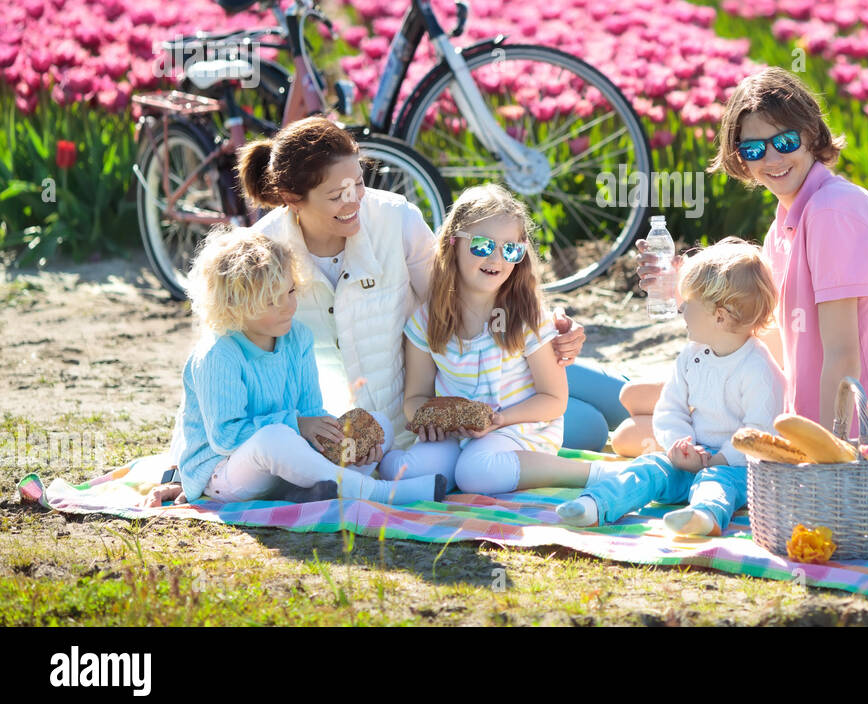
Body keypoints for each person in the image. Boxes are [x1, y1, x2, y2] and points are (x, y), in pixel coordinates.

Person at [144, 116, 604, 506]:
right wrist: (182, 463)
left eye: (359, 184)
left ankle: (618, 390)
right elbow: (214, 357)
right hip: (391, 429)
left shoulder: (396, 219)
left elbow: (463, 291)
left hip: (462, 377)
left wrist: (546, 322)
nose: (354, 201)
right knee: (591, 428)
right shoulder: (265, 253)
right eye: (336, 194)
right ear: (292, 200)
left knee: (586, 412)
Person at [612, 66, 868, 452]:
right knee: (634, 399)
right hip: (795, 401)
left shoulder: (833, 211)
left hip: (855, 431)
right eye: (753, 149)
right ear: (740, 159)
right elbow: (769, 338)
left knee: (633, 435)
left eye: (785, 141)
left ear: (811, 135)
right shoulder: (785, 224)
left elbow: (844, 355)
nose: (771, 157)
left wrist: (829, 458)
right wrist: (685, 291)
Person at [380, 184, 627, 495]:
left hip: (519, 426)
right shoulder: (426, 320)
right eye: (482, 245)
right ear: (453, 244)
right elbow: (415, 396)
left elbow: (554, 399)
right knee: (405, 473)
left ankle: (593, 473)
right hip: (456, 434)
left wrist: (499, 419)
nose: (496, 258)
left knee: (475, 471)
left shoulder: (525, 316)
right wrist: (425, 419)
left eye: (510, 249)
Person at [173, 227, 443, 505]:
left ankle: (307, 491)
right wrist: (298, 425)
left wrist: (342, 444)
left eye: (290, 291)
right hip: (225, 473)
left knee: (378, 424)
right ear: (233, 306)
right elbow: (226, 438)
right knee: (274, 438)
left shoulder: (297, 337)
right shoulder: (219, 354)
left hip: (287, 461)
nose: (288, 306)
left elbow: (311, 414)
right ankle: (378, 492)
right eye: (271, 301)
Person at [558, 239, 784, 534]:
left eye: (689, 305)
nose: (682, 310)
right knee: (651, 467)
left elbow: (759, 434)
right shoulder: (693, 355)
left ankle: (705, 516)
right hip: (694, 457)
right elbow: (670, 407)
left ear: (720, 317)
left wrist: (717, 459)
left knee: (716, 481)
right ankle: (597, 504)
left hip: (739, 468)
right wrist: (680, 444)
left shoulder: (758, 369)